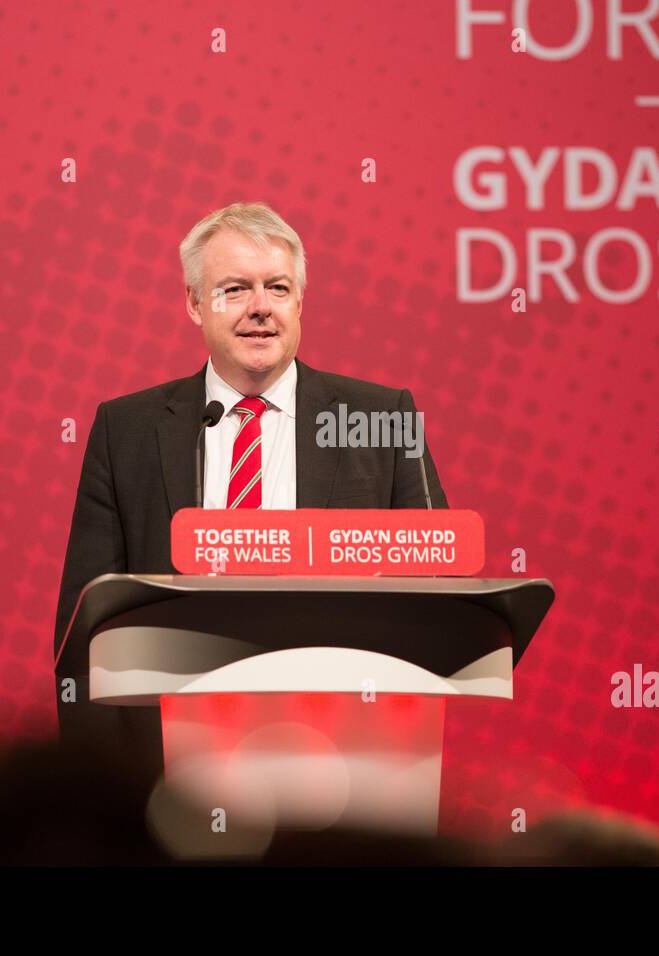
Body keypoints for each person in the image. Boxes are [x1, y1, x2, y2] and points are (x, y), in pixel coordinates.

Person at [52, 201, 448, 776]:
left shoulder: (383, 416)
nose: (261, 308)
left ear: (300, 301)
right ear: (194, 303)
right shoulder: (127, 430)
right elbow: (85, 633)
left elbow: (438, 596)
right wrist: (101, 795)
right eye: (235, 289)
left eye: (278, 288)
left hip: (347, 761)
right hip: (172, 769)